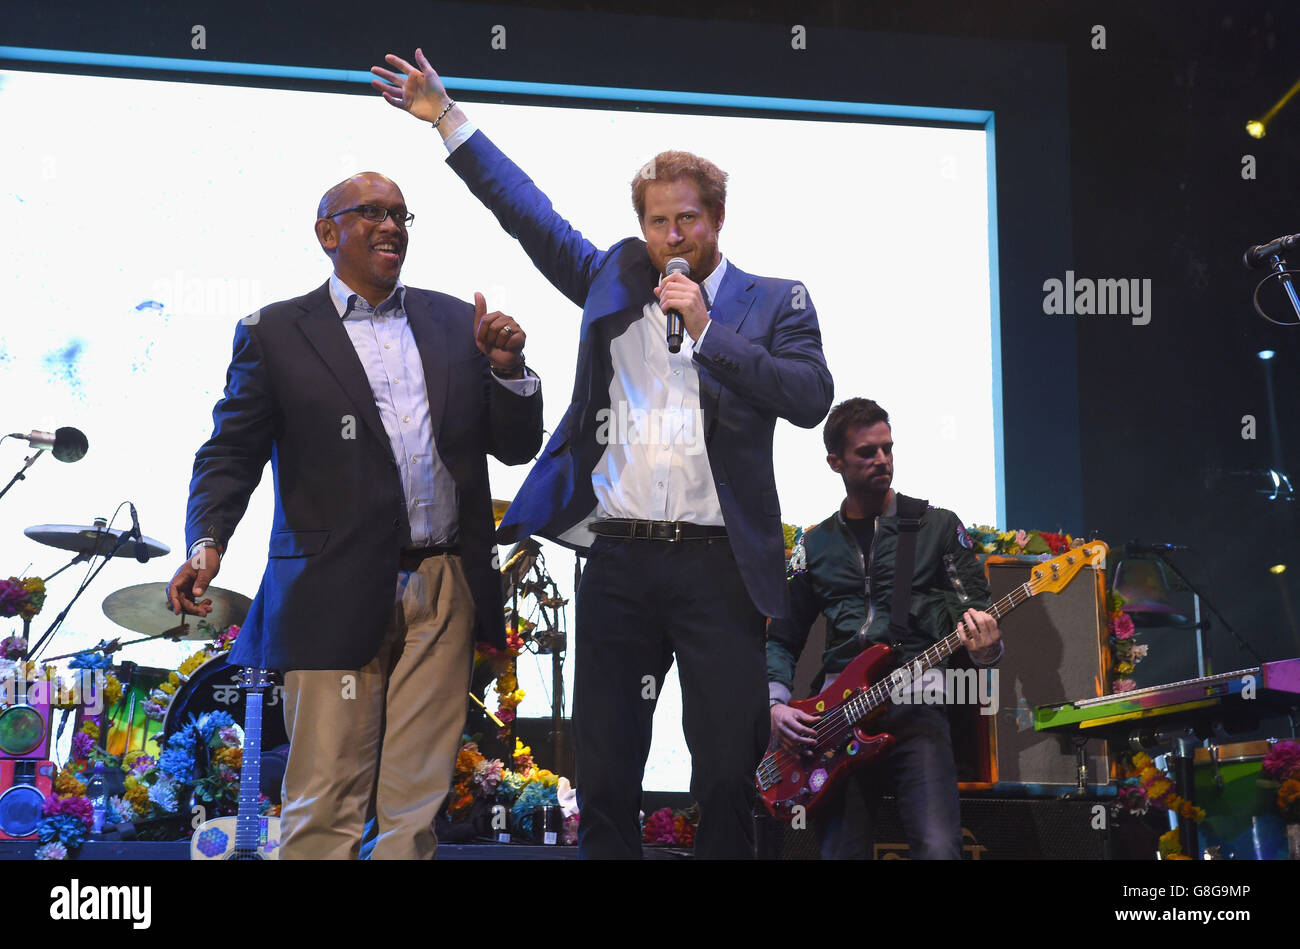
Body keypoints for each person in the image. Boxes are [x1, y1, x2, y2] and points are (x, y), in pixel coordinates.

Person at [369, 49, 834, 858]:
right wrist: (447, 118)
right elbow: (530, 213)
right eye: (657, 221)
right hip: (618, 562)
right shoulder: (612, 279)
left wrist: (710, 332)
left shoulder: (774, 301)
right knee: (608, 771)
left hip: (718, 565)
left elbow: (808, 397)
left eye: (687, 219)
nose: (671, 236)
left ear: (716, 219)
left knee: (728, 771)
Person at [165, 171, 544, 859]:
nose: (392, 225)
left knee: (414, 811)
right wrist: (207, 541)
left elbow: (516, 447)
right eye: (371, 211)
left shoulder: (457, 321)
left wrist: (508, 370)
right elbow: (230, 451)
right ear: (327, 233)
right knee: (325, 800)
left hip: (442, 584)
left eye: (401, 214)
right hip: (329, 589)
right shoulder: (277, 331)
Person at [766, 398, 1002, 859]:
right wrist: (776, 706)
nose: (882, 460)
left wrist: (987, 651)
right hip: (835, 722)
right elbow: (781, 637)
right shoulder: (813, 546)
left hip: (919, 704)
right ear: (835, 462)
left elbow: (979, 613)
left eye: (888, 449)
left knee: (938, 849)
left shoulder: (936, 526)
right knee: (842, 853)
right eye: (867, 452)